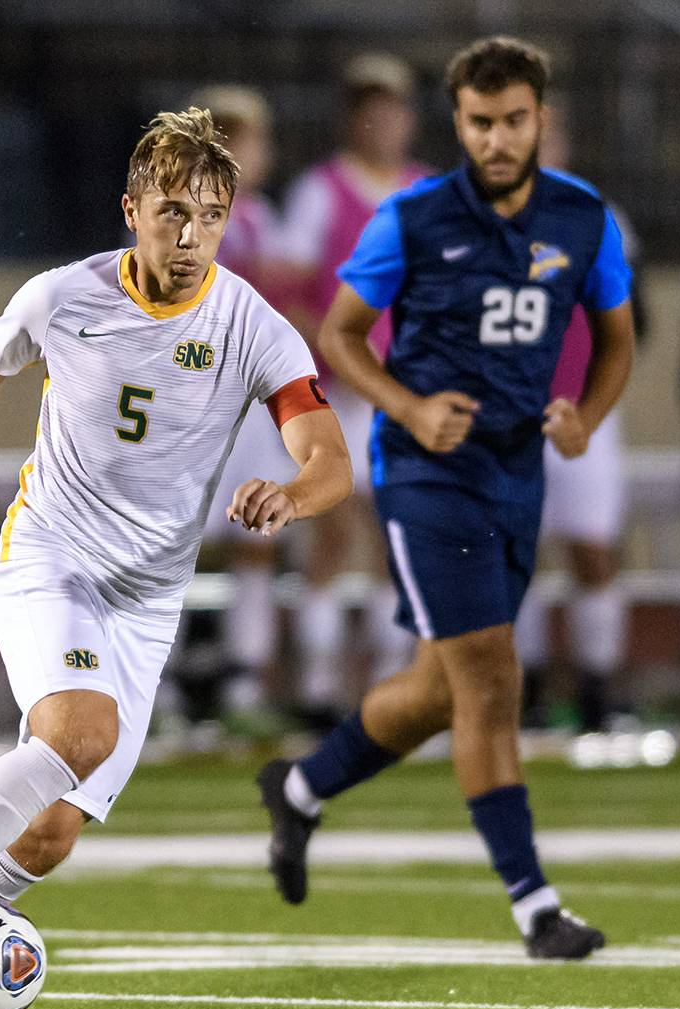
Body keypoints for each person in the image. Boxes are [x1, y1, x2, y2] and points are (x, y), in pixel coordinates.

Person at [0, 109, 351, 1009]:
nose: (192, 236)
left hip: (147, 602)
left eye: (212, 216)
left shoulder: (251, 326)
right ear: (131, 211)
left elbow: (329, 457)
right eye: (173, 212)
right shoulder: (65, 296)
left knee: (48, 835)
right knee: (82, 732)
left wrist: (293, 495)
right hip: (49, 557)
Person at [256, 36, 634, 958]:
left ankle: (300, 788)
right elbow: (341, 337)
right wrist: (411, 409)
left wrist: (587, 416)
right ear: (458, 123)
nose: (497, 139)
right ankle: (535, 906)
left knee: (437, 690)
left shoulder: (582, 216)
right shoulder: (413, 216)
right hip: (427, 476)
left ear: (541, 119)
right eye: (480, 122)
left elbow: (617, 336)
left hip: (516, 471)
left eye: (514, 121)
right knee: (492, 676)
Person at [271, 53, 432, 723]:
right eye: (370, 112)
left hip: (400, 397)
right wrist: (342, 349)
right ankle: (318, 686)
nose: (382, 124)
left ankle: (390, 680)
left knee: (399, 540)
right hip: (335, 395)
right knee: (333, 533)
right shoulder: (319, 192)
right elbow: (285, 291)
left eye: (392, 111)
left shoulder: (426, 194)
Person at [511, 99, 637, 732]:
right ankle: (527, 687)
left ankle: (596, 687)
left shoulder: (596, 218)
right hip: (508, 413)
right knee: (516, 552)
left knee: (592, 547)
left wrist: (595, 404)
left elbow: (629, 325)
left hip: (580, 410)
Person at [194, 85, 295, 722]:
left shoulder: (262, 221)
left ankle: (244, 683)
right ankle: (154, 680)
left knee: (257, 538)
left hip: (250, 407)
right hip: (191, 404)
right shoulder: (170, 214)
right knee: (167, 542)